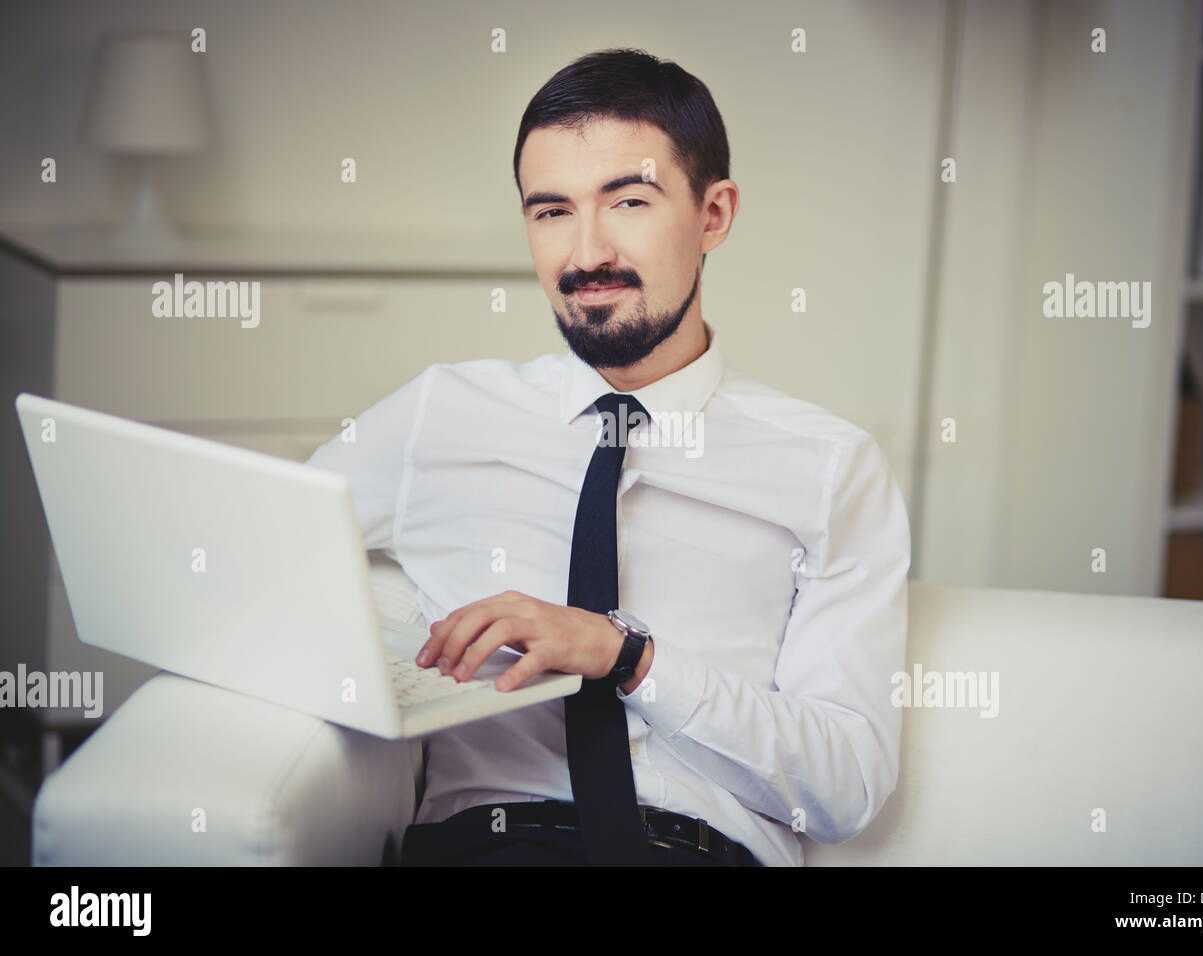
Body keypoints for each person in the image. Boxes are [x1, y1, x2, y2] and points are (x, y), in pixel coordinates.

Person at [305, 48, 910, 867]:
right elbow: (253, 562)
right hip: (486, 849)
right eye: (551, 212)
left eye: (628, 200)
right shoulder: (441, 414)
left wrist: (628, 657)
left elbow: (844, 789)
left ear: (714, 215)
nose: (586, 254)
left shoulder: (831, 466)